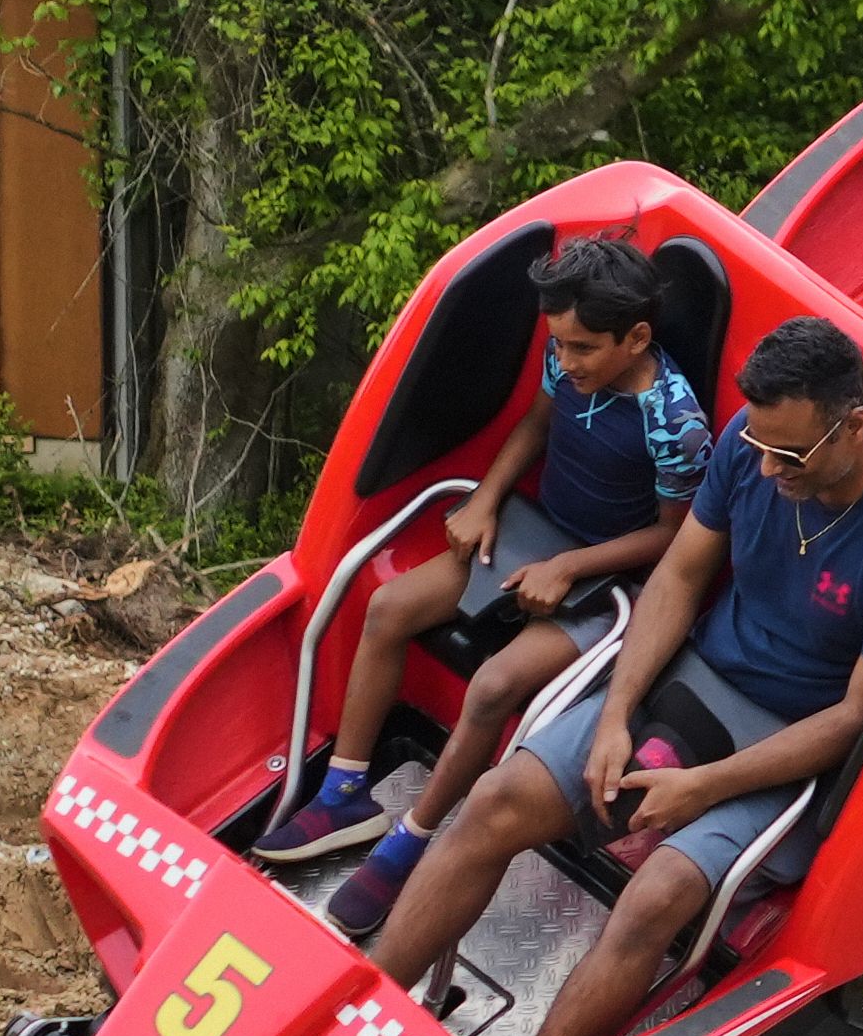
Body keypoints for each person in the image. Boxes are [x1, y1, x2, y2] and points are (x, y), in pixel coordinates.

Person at [350, 313, 863, 1036]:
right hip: (699, 673)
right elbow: (680, 574)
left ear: (854, 426)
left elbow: (853, 717)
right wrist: (616, 714)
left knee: (656, 896)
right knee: (495, 801)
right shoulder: (752, 442)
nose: (768, 470)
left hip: (791, 741)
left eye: (789, 455)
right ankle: (361, 1021)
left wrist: (703, 787)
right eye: (760, 447)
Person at [257, 238, 711, 869]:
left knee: (494, 685)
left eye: (582, 348)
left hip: (604, 584)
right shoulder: (565, 361)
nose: (565, 361)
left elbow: (672, 539)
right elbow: (536, 424)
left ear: (635, 339)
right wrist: (486, 500)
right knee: (388, 607)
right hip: (533, 534)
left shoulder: (676, 424)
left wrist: (568, 567)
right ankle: (344, 793)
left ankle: (414, 837)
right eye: (557, 344)